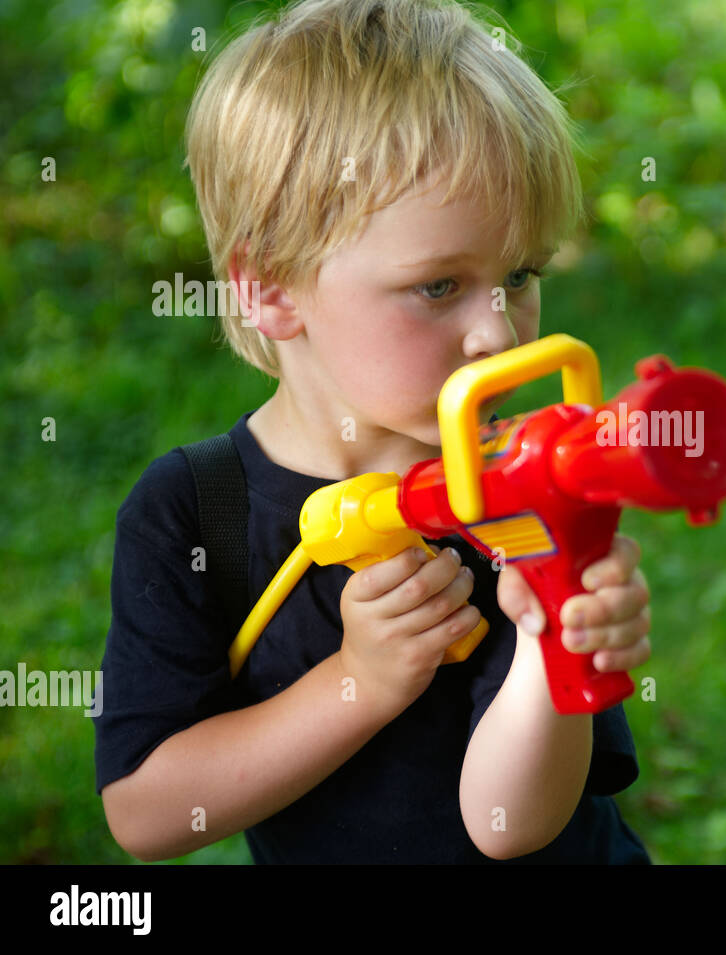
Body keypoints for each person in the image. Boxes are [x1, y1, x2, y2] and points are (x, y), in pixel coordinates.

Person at [93, 0, 653, 863]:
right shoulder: (193, 513)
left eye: (520, 273)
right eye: (438, 286)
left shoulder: (522, 482)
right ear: (271, 288)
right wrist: (361, 682)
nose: (498, 335)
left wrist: (552, 642)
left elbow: (512, 827)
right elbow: (148, 814)